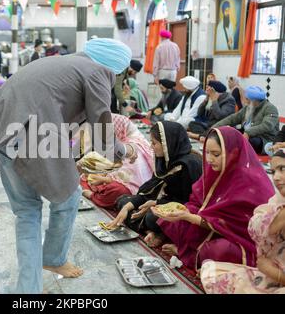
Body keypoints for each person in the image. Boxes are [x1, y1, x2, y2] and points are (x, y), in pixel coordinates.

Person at [0, 38, 136, 294]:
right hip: (27, 136)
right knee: (69, 195)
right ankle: (53, 259)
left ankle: (29, 289)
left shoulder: (60, 63)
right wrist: (123, 151)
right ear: (115, 66)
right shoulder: (98, 72)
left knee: (27, 211)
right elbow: (101, 126)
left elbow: (61, 113)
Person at [152, 127, 275, 271]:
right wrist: (183, 212)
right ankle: (183, 246)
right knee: (168, 220)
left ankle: (188, 253)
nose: (209, 159)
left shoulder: (251, 183)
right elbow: (198, 203)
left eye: (216, 154)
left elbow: (239, 226)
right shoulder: (215, 170)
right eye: (207, 153)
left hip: (242, 240)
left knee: (219, 250)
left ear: (234, 153)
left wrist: (190, 217)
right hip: (210, 224)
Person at [200, 149, 285, 293]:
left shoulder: (250, 181)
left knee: (219, 250)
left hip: (251, 252)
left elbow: (237, 223)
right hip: (266, 265)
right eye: (273, 171)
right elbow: (255, 227)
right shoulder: (277, 201)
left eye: (283, 169)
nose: (276, 177)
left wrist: (273, 272)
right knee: (211, 266)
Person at [106, 121, 202, 244]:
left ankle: (157, 233)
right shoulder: (164, 160)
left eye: (154, 143)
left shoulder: (189, 166)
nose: (151, 146)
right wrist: (128, 206)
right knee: (123, 201)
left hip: (180, 213)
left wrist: (157, 204)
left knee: (153, 218)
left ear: (167, 144)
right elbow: (150, 191)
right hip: (158, 204)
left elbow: (189, 203)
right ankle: (150, 232)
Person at [80, 114, 154, 209]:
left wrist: (102, 180)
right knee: (87, 174)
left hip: (130, 189)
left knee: (116, 190)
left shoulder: (131, 146)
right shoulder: (125, 140)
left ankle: (93, 195)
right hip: (122, 182)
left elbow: (127, 178)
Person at [213, 86, 279, 154]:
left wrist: (248, 132)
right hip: (248, 135)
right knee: (230, 132)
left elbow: (267, 125)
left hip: (264, 140)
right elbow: (232, 118)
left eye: (247, 99)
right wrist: (215, 127)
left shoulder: (270, 108)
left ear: (254, 100)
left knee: (249, 141)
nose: (245, 101)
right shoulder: (248, 107)